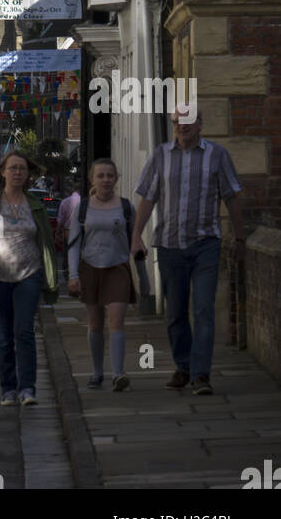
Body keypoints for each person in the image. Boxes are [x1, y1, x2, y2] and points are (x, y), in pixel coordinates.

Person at [131, 105, 244, 396]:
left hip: (206, 243)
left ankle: (201, 375)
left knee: (204, 310)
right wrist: (136, 235)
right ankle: (183, 366)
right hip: (169, 245)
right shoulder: (160, 155)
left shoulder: (217, 155)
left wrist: (240, 238)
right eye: (176, 122)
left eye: (188, 121)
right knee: (175, 313)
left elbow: (232, 196)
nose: (182, 126)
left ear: (200, 124)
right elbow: (147, 198)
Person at [0, 150, 58, 407]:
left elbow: (47, 244)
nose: (18, 173)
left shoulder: (35, 206)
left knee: (24, 331)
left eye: (22, 169)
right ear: (2, 172)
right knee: (3, 335)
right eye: (13, 168)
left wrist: (50, 277)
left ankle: (27, 388)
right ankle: (8, 389)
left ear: (28, 175)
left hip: (28, 274)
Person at [67, 160, 136, 391]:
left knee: (116, 321)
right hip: (90, 268)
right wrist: (73, 275)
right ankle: (97, 373)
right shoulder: (83, 208)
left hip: (118, 268)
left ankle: (118, 374)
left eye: (110, 175)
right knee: (95, 323)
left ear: (116, 178)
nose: (105, 180)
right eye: (101, 176)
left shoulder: (126, 207)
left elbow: (137, 244)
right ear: (92, 179)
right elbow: (74, 244)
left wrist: (143, 280)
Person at [56, 185, 81, 279]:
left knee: (68, 252)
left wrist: (58, 233)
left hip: (68, 231)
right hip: (81, 231)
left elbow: (60, 220)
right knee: (79, 253)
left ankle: (69, 274)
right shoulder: (84, 201)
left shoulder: (65, 201)